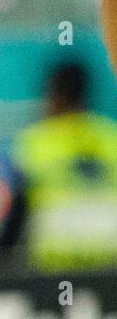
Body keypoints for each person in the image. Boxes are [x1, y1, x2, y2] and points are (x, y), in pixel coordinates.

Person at [11, 61, 117, 271]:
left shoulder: (36, 141)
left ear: (54, 95)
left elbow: (17, 213)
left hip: (55, 263)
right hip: (110, 261)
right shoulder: (110, 135)